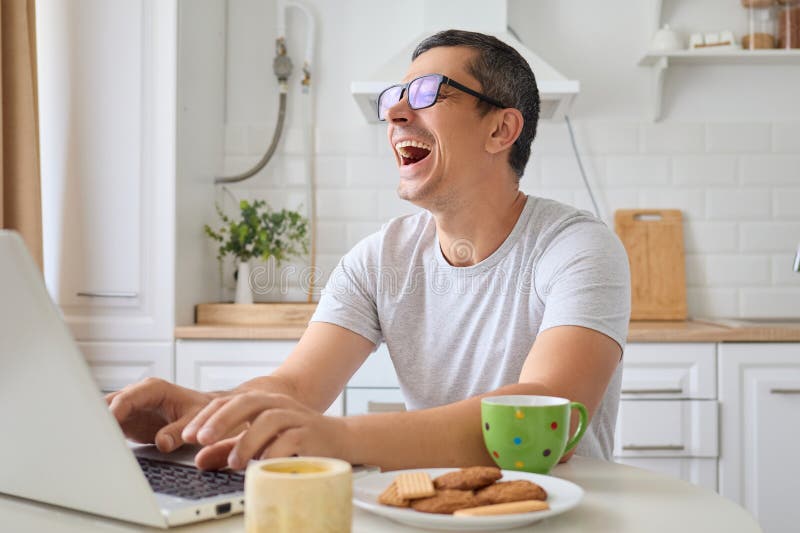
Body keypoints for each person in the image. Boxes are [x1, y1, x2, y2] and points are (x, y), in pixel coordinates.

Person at [107, 29, 630, 472]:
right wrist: (202, 415)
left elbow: (546, 411)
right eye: (393, 97)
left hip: (563, 512)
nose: (396, 112)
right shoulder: (380, 258)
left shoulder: (577, 247)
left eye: (427, 92)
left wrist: (342, 439)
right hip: (429, 510)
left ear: (500, 128)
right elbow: (296, 386)